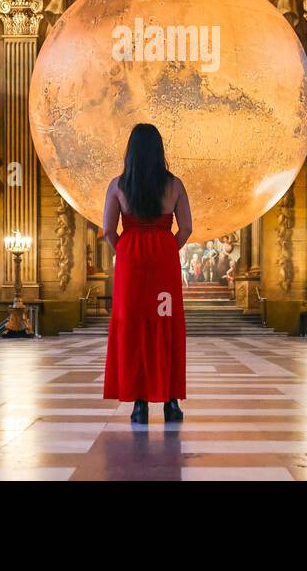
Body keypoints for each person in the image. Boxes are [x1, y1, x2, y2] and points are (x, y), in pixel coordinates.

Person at [102, 123, 191, 424]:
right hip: (164, 263)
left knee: (133, 326)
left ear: (131, 151)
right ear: (158, 151)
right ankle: (171, 402)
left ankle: (138, 404)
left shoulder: (118, 185)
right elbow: (187, 228)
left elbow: (107, 230)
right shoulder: (174, 185)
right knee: (165, 324)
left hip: (130, 262)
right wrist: (167, 249)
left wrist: (125, 250)